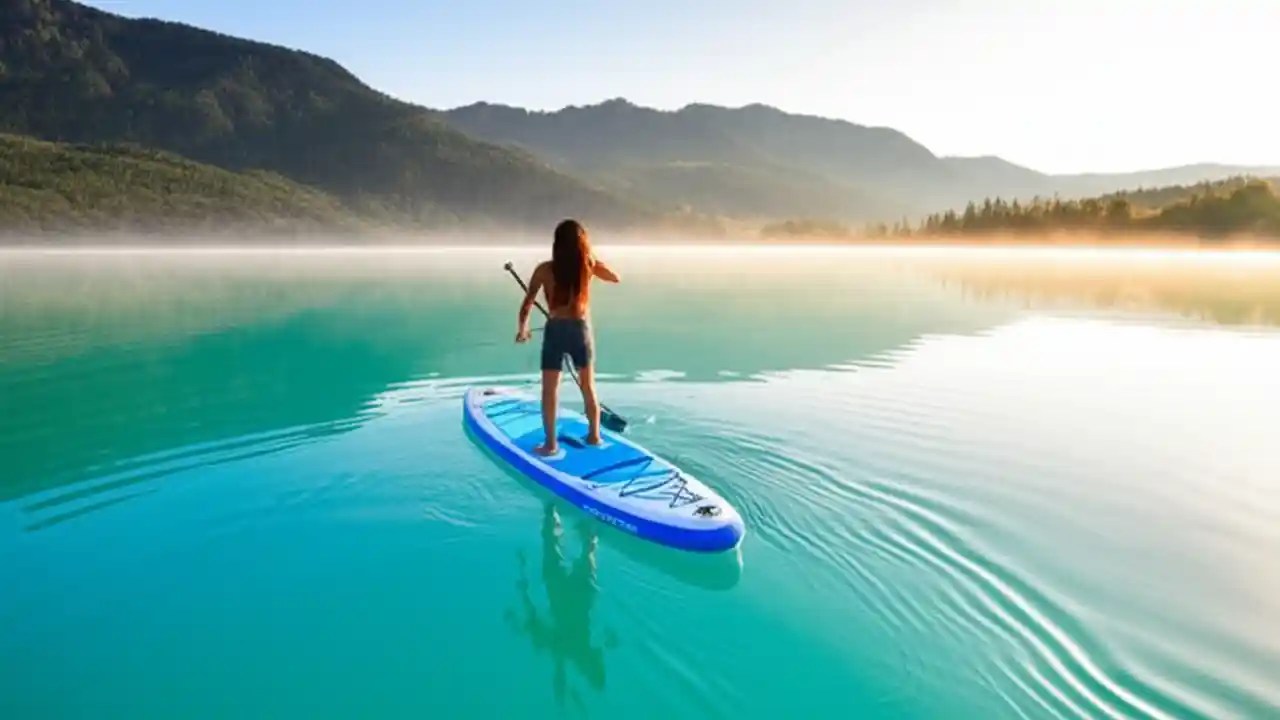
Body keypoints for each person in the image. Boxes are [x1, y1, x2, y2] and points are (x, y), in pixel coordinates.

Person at [516, 219, 620, 456]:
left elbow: (527, 304)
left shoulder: (544, 270)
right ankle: (594, 436)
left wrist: (523, 329)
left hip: (555, 330)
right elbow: (615, 277)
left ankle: (551, 445)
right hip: (581, 330)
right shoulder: (588, 265)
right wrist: (591, 258)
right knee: (588, 386)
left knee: (550, 390)